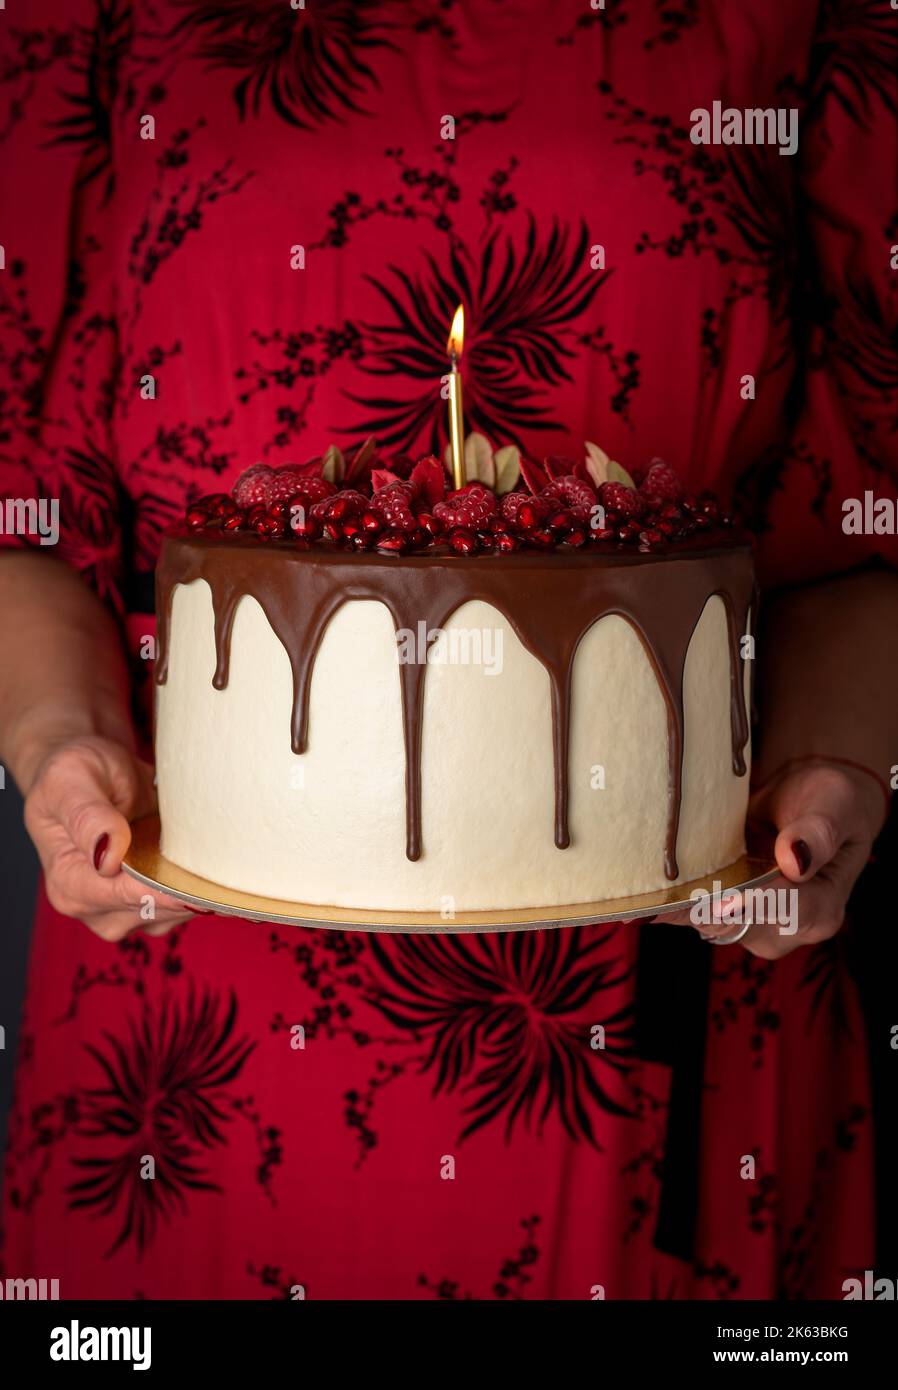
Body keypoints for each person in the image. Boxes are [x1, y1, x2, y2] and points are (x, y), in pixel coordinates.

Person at [0, 0, 895, 1299]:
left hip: (657, 1019)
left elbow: (868, 531)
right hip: (189, 1031)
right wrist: (54, 746)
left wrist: (834, 773)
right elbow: (20, 511)